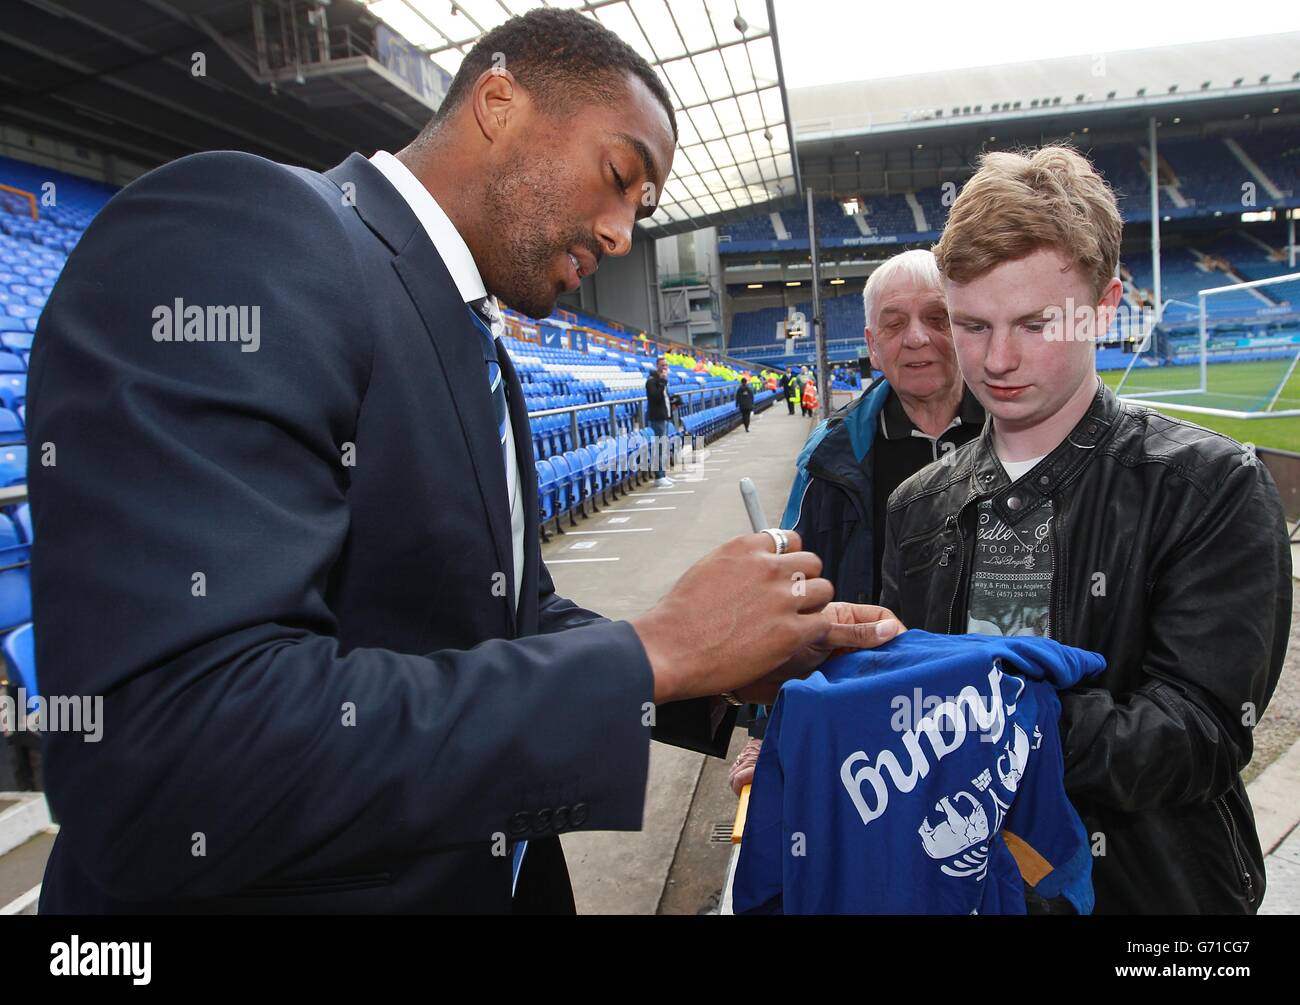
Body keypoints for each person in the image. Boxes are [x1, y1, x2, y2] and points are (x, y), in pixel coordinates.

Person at [28, 7, 901, 915]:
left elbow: (499, 616)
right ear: (498, 102)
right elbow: (176, 750)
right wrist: (656, 651)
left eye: (639, 209)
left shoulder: (476, 340)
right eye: (617, 177)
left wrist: (710, 674)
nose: (619, 236)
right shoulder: (245, 233)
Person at [880, 146, 1290, 913]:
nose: (997, 359)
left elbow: (1196, 735)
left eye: (1035, 323)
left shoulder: (1212, 487)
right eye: (971, 325)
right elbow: (904, 711)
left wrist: (992, 719)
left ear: (1104, 308)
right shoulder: (916, 505)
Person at [731, 250, 984, 794]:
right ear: (872, 345)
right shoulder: (833, 454)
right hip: (872, 722)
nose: (916, 338)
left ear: (966, 325)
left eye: (937, 318)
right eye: (895, 323)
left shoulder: (1021, 436)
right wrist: (766, 726)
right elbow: (791, 591)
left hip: (994, 709)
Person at [645, 355, 675, 487]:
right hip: (657, 419)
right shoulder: (651, 381)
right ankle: (658, 476)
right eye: (662, 365)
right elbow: (654, 398)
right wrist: (662, 383)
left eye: (666, 365)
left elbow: (664, 398)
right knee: (659, 448)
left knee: (664, 448)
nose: (665, 368)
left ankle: (663, 474)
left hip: (665, 418)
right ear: (657, 366)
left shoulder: (663, 381)